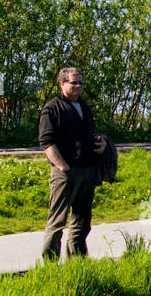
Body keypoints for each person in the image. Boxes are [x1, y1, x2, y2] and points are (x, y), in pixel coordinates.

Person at [38, 67, 107, 261]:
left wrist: (100, 144)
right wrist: (62, 166)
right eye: (73, 82)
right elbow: (46, 141)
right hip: (66, 173)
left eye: (81, 83)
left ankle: (77, 262)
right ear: (62, 83)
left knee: (82, 221)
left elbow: (87, 135)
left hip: (87, 170)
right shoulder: (52, 108)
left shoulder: (84, 108)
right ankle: (50, 265)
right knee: (57, 220)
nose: (78, 86)